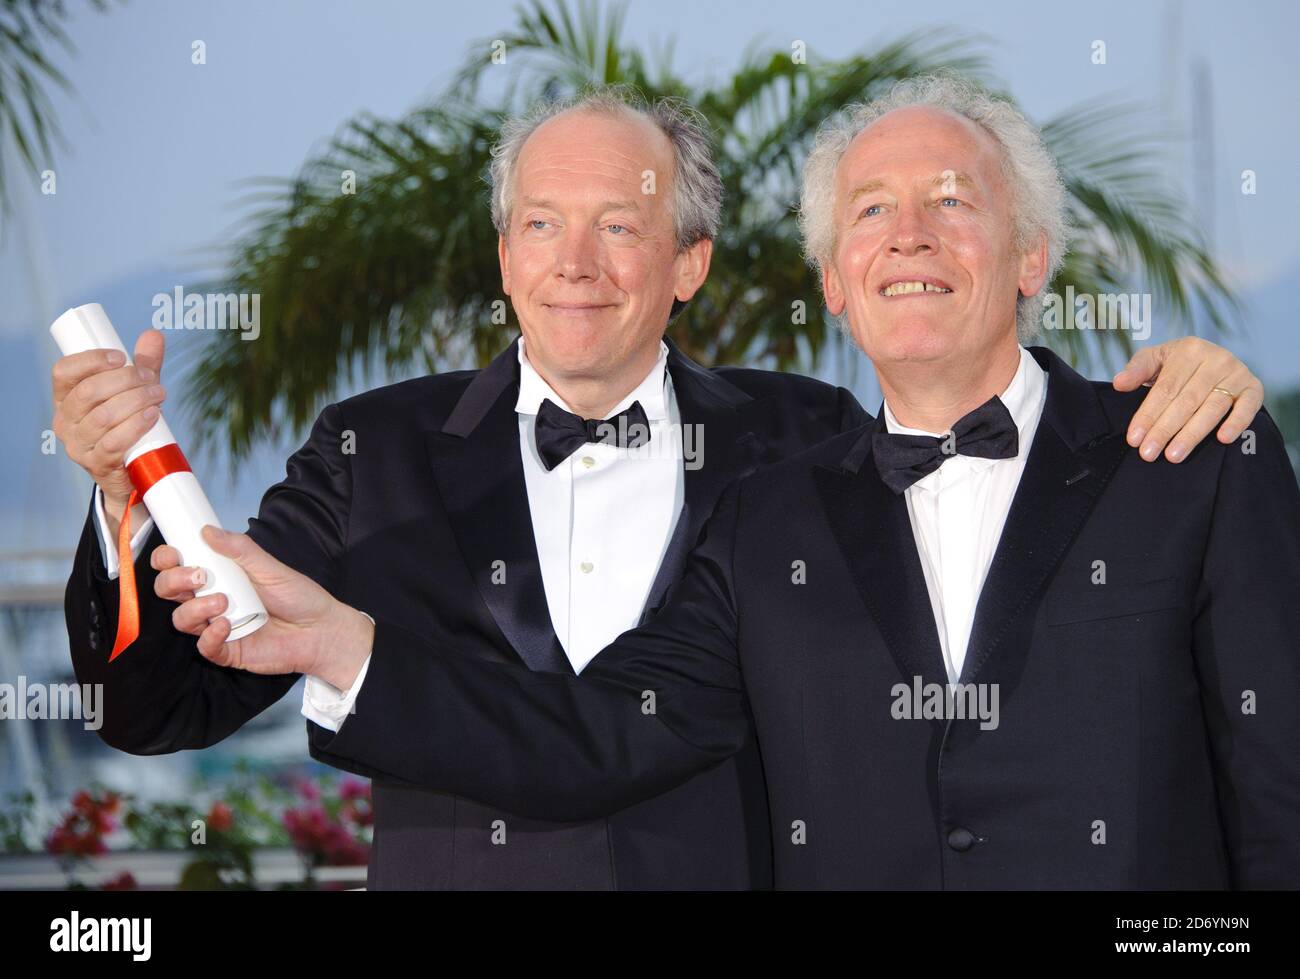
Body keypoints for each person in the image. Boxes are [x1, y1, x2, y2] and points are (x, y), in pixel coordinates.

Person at [54, 84, 1268, 890]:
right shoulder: (371, 450)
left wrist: (1203, 376)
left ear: (688, 262)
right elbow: (161, 708)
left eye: (620, 229)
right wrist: (120, 500)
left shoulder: (805, 443)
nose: (576, 264)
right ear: (504, 256)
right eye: (541, 225)